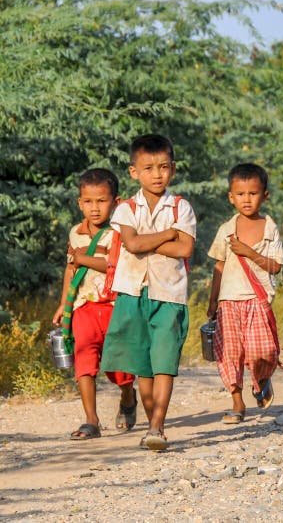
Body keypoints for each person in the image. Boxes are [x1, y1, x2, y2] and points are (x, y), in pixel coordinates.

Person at [100, 134, 196, 451]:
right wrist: (168, 233)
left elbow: (185, 247)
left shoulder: (181, 207)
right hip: (133, 292)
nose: (157, 174)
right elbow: (133, 244)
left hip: (169, 294)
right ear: (134, 172)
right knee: (143, 366)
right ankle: (147, 415)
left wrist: (155, 238)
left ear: (173, 169)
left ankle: (157, 426)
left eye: (163, 167)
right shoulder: (126, 208)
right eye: (149, 168)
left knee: (164, 362)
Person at [52, 169, 136, 440]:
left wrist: (82, 259)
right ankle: (91, 420)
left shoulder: (119, 234)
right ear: (79, 203)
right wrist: (64, 303)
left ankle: (127, 395)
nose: (95, 208)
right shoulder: (75, 233)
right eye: (88, 201)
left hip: (114, 306)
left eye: (101, 201)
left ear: (116, 202)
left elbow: (115, 267)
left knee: (118, 367)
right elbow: (70, 269)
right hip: (83, 306)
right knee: (84, 358)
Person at [207, 163, 283, 424]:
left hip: (257, 299)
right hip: (228, 300)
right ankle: (237, 402)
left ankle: (261, 378)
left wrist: (249, 253)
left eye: (253, 193)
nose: (246, 199)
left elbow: (276, 266)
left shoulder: (270, 228)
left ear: (265, 195)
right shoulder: (226, 230)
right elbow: (218, 266)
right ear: (231, 197)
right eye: (240, 194)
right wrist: (211, 302)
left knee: (260, 351)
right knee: (230, 353)